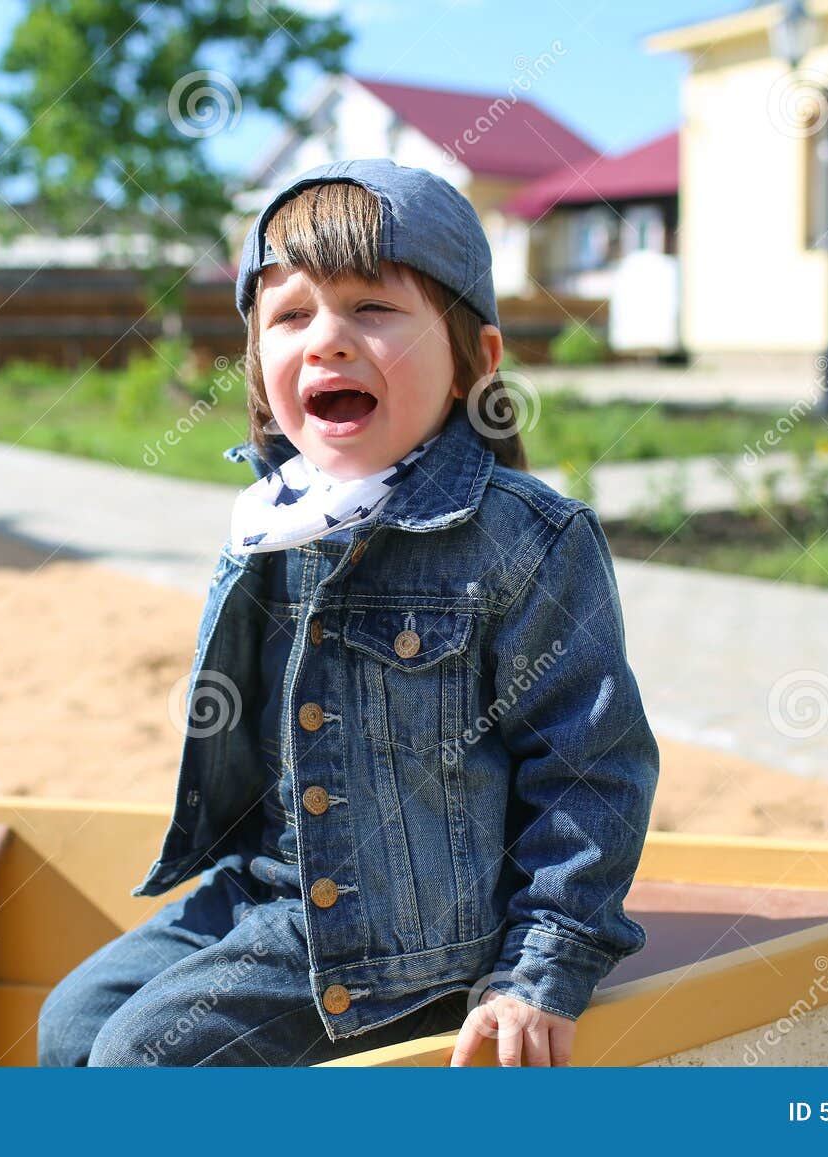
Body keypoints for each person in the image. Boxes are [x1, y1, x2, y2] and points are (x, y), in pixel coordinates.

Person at [37, 158, 659, 1068]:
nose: (326, 340)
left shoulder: (522, 540)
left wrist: (541, 964)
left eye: (372, 308)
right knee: (72, 1024)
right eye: (290, 315)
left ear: (472, 362)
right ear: (256, 365)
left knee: (145, 1060)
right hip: (270, 889)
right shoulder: (273, 519)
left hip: (411, 930)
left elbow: (591, 767)